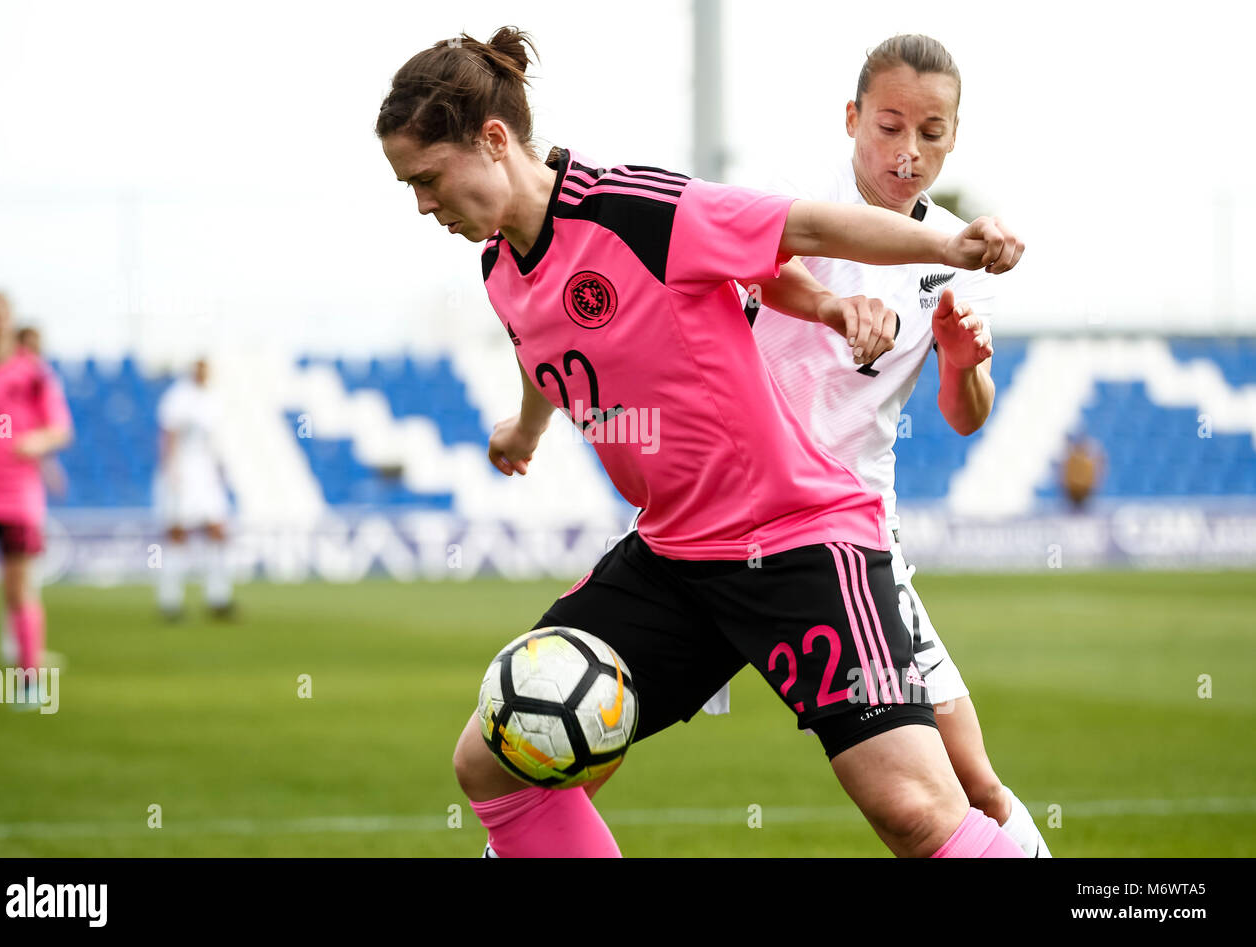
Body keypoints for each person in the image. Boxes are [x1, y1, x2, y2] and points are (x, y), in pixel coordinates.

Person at [377, 27, 1024, 858]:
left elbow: (806, 230)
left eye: (428, 179)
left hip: (798, 538)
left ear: (494, 141)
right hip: (676, 553)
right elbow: (551, 349)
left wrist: (949, 245)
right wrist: (525, 427)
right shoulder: (502, 265)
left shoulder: (634, 208)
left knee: (915, 806)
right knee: (497, 760)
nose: (425, 205)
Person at [745, 34, 1050, 855]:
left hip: (847, 532)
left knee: (969, 781)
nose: (908, 152)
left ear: (955, 137)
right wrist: (831, 307)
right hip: (724, 512)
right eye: (888, 126)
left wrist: (962, 362)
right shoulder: (787, 196)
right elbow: (758, 266)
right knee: (581, 723)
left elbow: (964, 414)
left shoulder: (953, 255)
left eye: (931, 132)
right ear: (851, 119)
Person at [0, 293, 73, 699]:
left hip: (16, 499)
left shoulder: (32, 373)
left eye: (0, 316)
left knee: (16, 590)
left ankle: (29, 680)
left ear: (10, 322)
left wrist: (36, 441)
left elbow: (60, 428)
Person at [153, 357, 235, 619]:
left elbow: (215, 439)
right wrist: (171, 469)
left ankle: (218, 597)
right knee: (177, 534)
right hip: (183, 470)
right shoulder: (177, 397)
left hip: (206, 471)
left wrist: (221, 469)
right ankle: (170, 600)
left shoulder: (211, 399)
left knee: (217, 531)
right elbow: (169, 435)